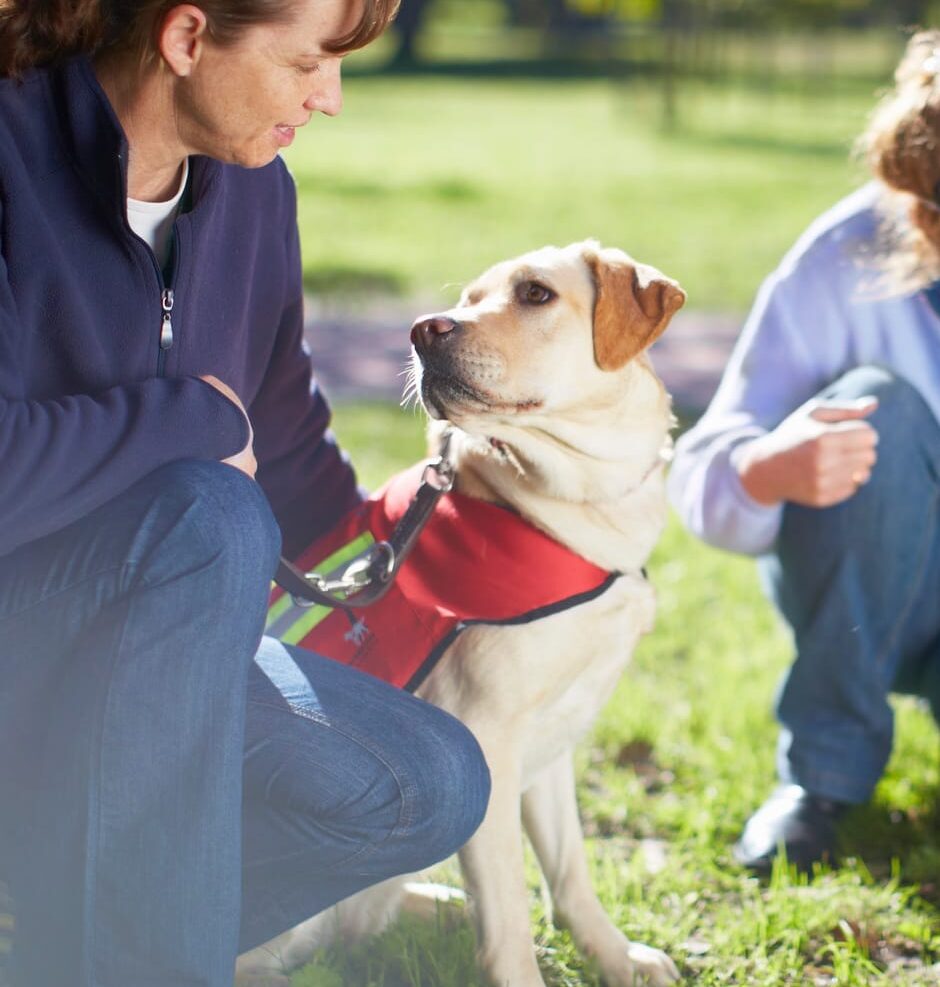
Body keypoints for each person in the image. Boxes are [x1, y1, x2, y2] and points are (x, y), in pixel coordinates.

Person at [0, 2, 491, 985]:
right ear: (186, 39)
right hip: (28, 643)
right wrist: (192, 418)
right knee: (207, 515)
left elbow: (284, 429)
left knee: (425, 782)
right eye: (311, 61)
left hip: (158, 663)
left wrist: (421, 555)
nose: (331, 98)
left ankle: (58, 936)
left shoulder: (254, 195)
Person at [669, 29, 940, 874]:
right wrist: (768, 465)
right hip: (880, 582)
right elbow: (703, 463)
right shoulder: (846, 251)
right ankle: (821, 780)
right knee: (879, 408)